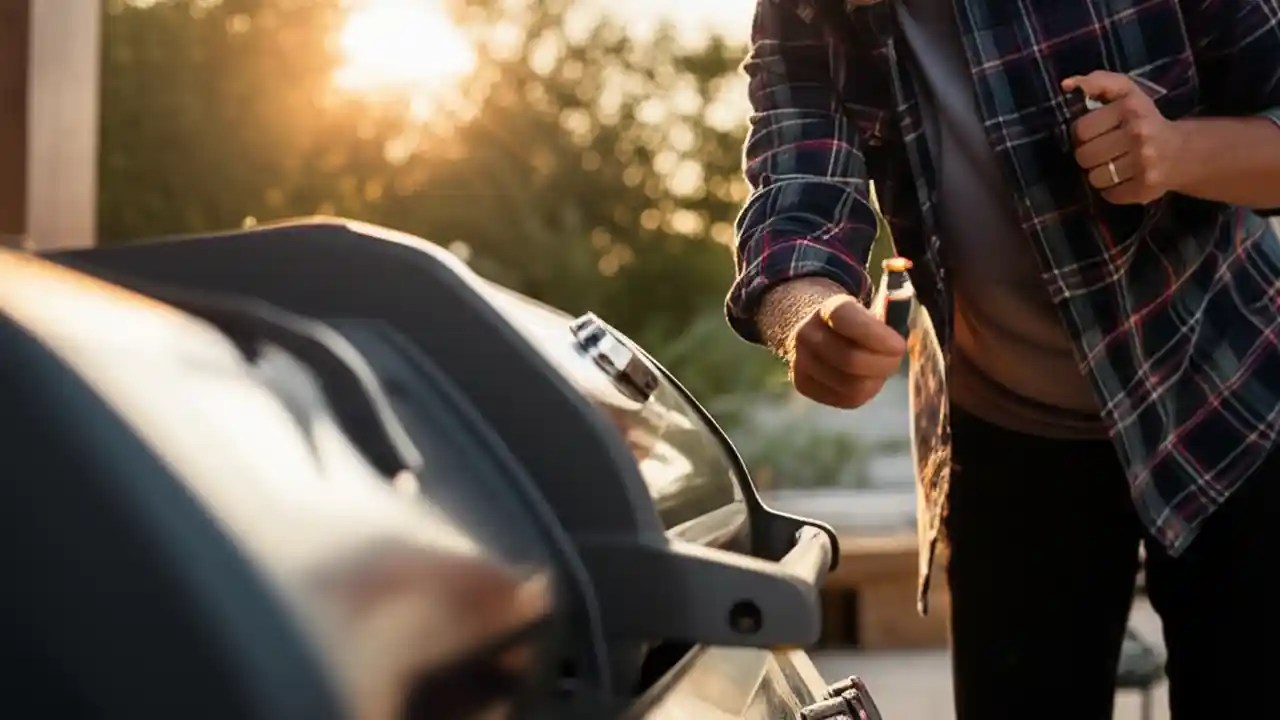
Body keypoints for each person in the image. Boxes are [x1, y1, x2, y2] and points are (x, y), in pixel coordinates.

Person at [726, 0, 1280, 717]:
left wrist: (1176, 153)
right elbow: (794, 193)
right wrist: (802, 313)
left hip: (1232, 401)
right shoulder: (807, 10)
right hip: (1005, 442)